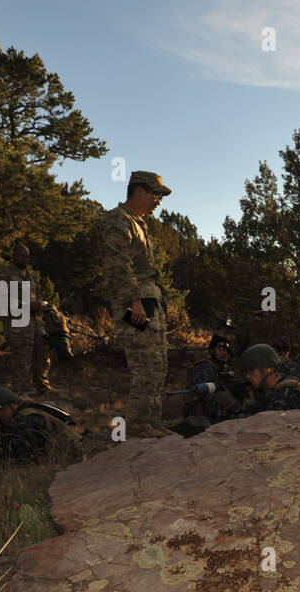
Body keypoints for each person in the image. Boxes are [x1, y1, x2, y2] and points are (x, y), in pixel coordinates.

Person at [99, 170, 173, 438]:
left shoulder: (139, 223)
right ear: (138, 191)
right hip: (135, 306)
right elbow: (118, 266)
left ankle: (151, 422)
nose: (158, 201)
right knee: (146, 366)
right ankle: (139, 427)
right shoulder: (118, 221)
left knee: (159, 364)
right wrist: (135, 301)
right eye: (156, 194)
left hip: (149, 303)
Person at [0, 240, 69, 395]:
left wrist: (43, 307)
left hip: (35, 322)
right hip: (17, 324)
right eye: (21, 256)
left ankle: (42, 386)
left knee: (43, 352)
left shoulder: (30, 275)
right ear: (14, 256)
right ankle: (20, 391)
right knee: (22, 358)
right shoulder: (5, 274)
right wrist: (28, 306)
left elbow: (36, 296)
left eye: (27, 256)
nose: (24, 259)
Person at [0, 387, 78, 465]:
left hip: (72, 457)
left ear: (13, 405)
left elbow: (16, 459)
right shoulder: (24, 412)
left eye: (1, 411)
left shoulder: (29, 420)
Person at [230, 343, 300, 417]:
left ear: (266, 369)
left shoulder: (288, 391)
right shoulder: (272, 390)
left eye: (250, 372)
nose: (247, 377)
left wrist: (232, 405)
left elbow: (263, 425)